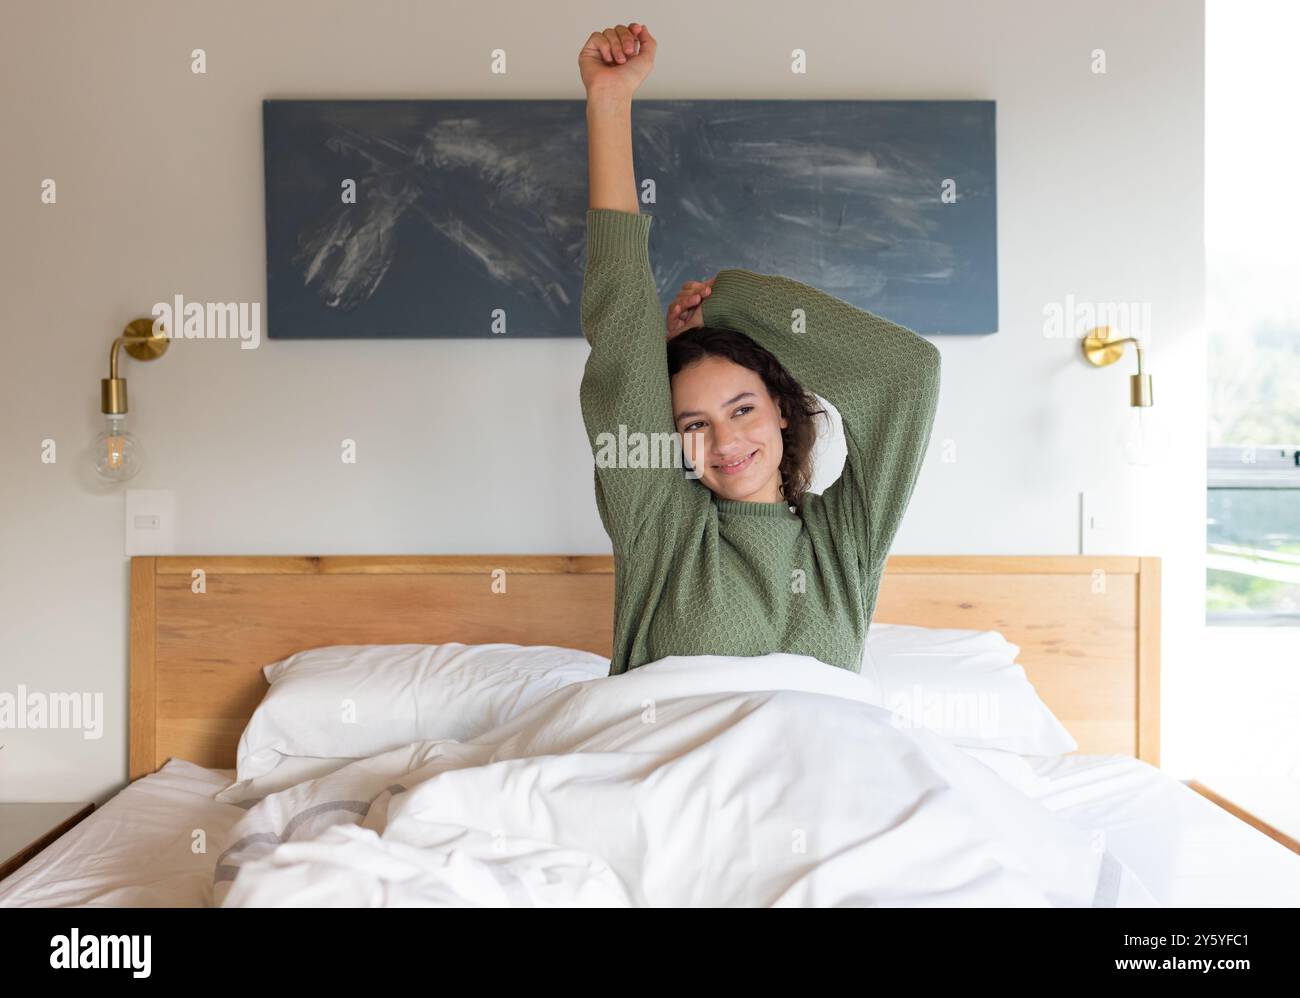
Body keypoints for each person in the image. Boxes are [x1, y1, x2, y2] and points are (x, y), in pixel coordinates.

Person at [578, 23, 942, 676]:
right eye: (694, 424)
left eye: (741, 409)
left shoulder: (845, 543)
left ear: (781, 408)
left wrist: (729, 302)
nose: (724, 441)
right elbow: (620, 325)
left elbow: (908, 375)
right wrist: (609, 103)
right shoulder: (662, 529)